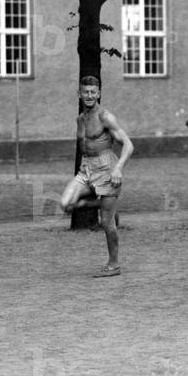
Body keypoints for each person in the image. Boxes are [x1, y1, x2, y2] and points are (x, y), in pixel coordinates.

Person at [59, 76, 134, 278]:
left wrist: (118, 169)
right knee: (65, 203)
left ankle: (114, 264)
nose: (90, 95)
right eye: (86, 92)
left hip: (107, 168)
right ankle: (102, 203)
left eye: (93, 92)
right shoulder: (80, 119)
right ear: (79, 94)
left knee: (106, 223)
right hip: (86, 168)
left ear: (99, 93)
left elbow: (128, 145)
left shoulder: (105, 117)